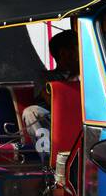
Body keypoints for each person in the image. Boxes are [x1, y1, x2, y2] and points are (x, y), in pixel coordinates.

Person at [22, 28, 80, 160]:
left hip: (85, 119)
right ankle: (49, 161)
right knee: (31, 112)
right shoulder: (45, 77)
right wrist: (74, 75)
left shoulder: (91, 74)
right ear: (65, 53)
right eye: (78, 48)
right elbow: (54, 103)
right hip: (55, 122)